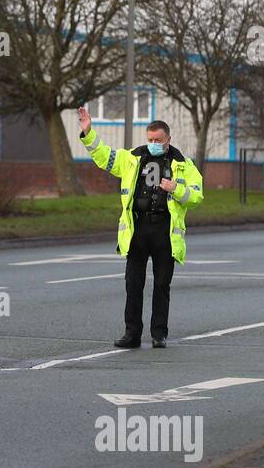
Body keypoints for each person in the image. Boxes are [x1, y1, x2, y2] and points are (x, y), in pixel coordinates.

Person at [77, 106, 204, 349]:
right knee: (133, 283)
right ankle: (132, 333)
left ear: (169, 139)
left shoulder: (183, 164)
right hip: (138, 227)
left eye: (159, 140)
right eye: (150, 139)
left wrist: (175, 189)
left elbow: (197, 196)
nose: (154, 143)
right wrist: (89, 133)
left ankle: (159, 334)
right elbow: (105, 157)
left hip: (165, 229)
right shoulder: (133, 157)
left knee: (161, 284)